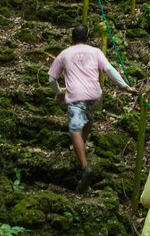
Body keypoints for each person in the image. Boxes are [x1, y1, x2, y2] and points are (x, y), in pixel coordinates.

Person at [47, 25, 128, 188]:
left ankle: (85, 168)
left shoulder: (65, 54)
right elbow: (109, 69)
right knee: (88, 119)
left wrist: (59, 94)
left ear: (72, 39)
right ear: (88, 38)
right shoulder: (95, 52)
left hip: (76, 96)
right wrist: (124, 86)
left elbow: (51, 78)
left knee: (75, 129)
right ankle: (81, 146)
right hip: (94, 94)